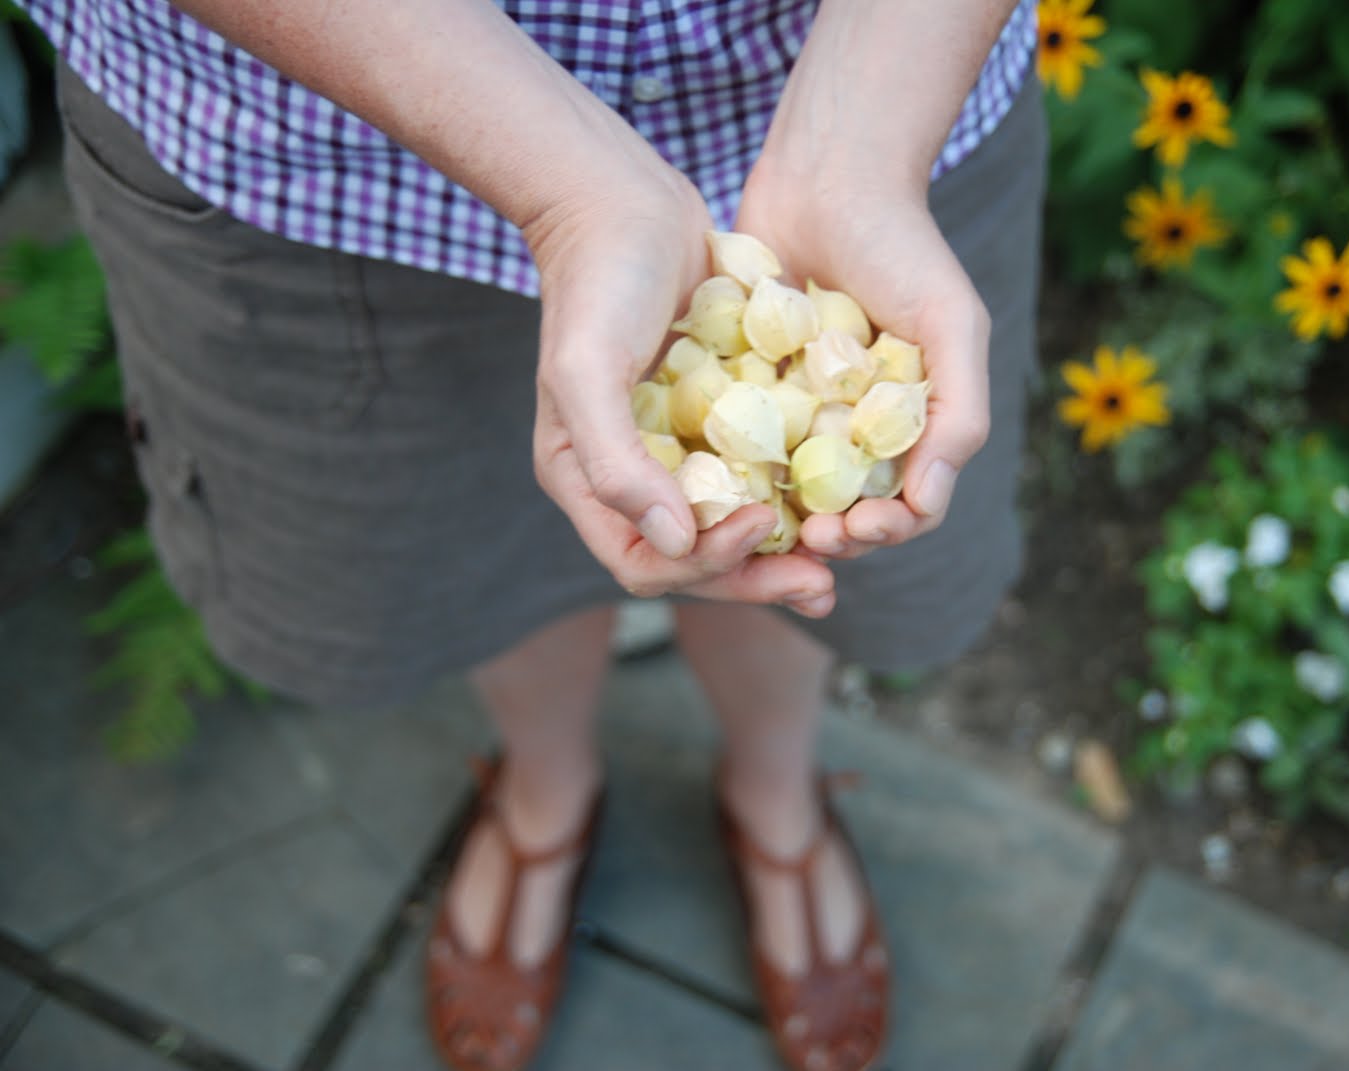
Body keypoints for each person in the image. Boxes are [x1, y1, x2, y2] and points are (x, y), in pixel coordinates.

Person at [22, 1, 1046, 1069]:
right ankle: (545, 785)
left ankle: (773, 789)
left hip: (884, 87)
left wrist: (862, 146)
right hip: (327, 143)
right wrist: (568, 196)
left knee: (801, 547)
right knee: (470, 548)